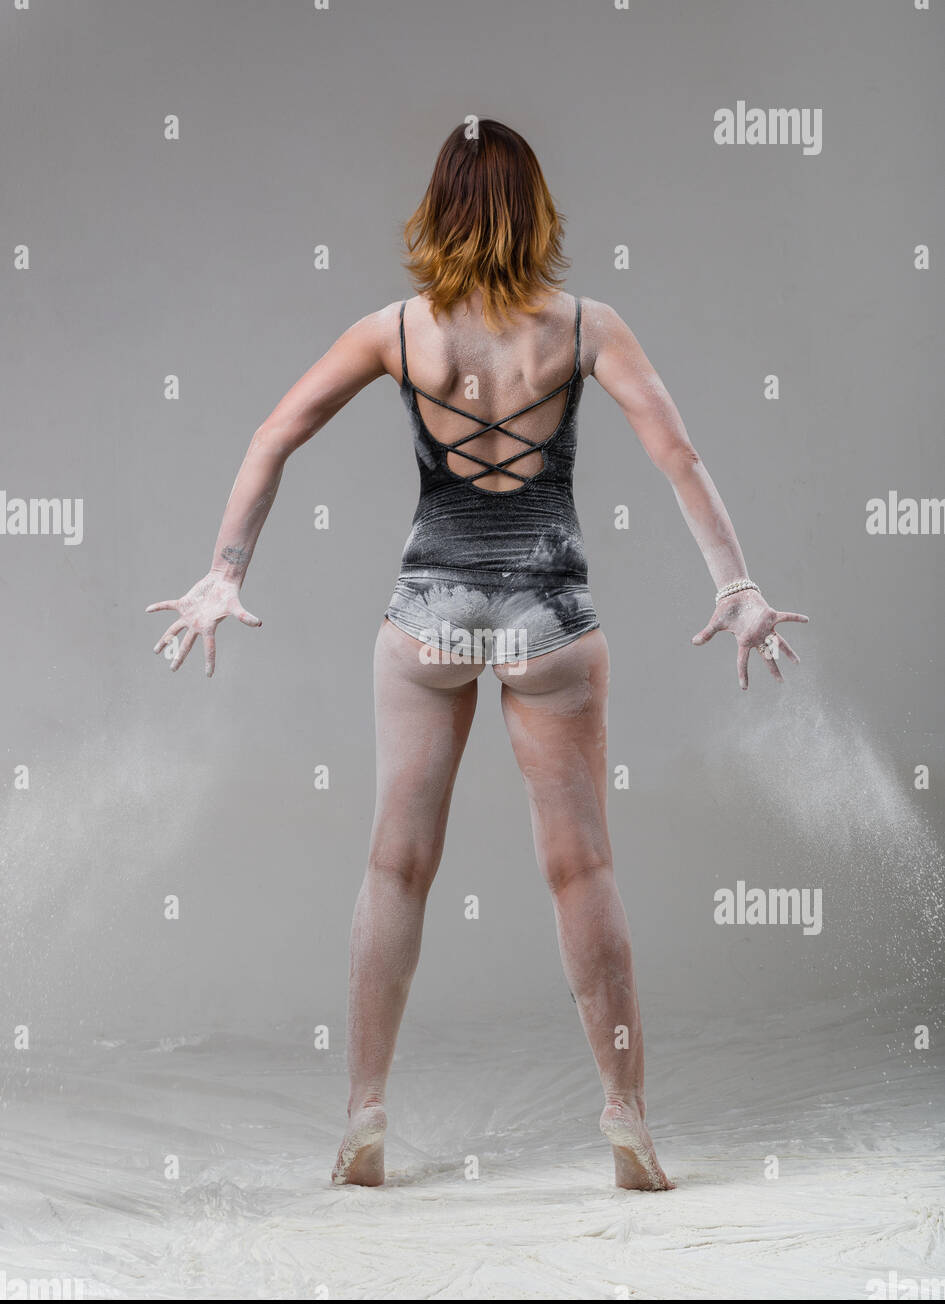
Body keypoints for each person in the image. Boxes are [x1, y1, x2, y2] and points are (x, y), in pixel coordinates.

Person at [147, 119, 808, 1192]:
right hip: (550, 615)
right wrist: (735, 586)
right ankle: (627, 1114)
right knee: (581, 868)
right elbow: (677, 452)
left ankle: (363, 1113)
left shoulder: (397, 330)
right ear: (536, 210)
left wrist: (227, 569)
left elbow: (275, 430)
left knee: (395, 864)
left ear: (439, 211)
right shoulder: (589, 325)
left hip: (428, 616)